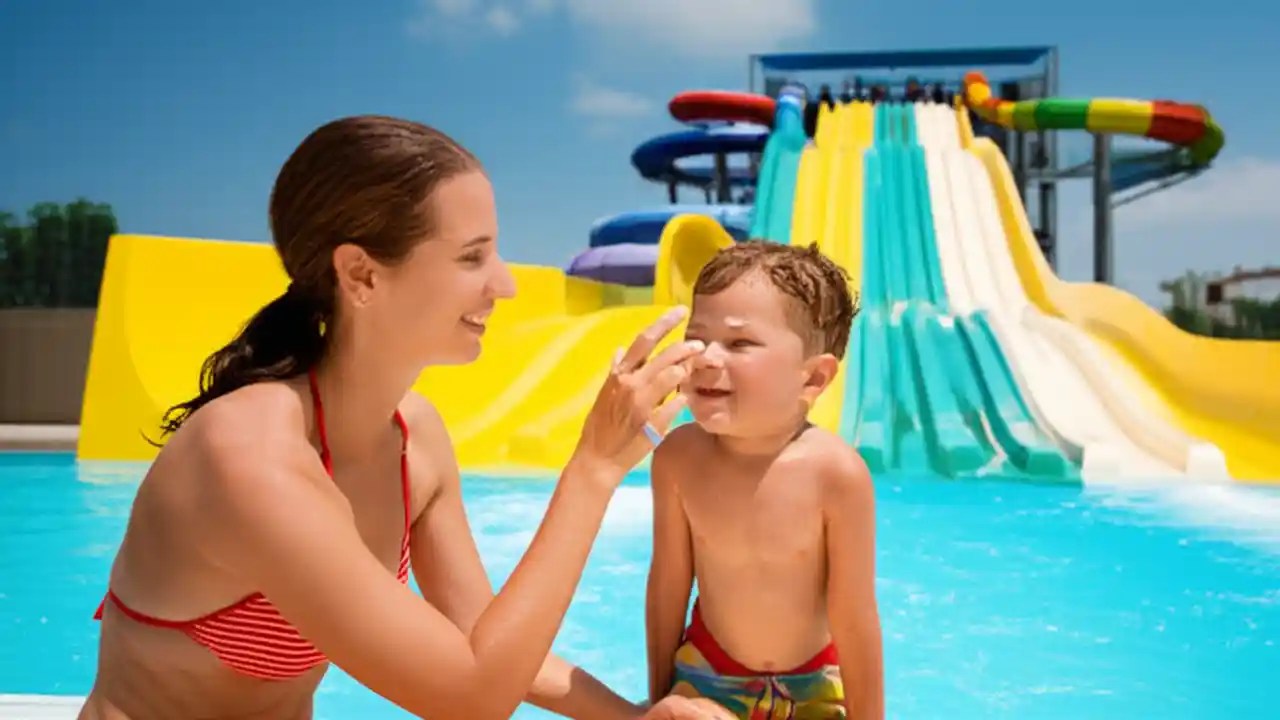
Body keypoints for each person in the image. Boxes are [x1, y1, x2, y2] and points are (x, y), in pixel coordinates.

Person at [77, 115, 728, 720]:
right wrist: (594, 468)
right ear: (361, 275)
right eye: (472, 256)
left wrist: (636, 717)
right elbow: (471, 697)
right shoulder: (252, 460)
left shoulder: (415, 440)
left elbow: (484, 639)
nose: (505, 284)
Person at [644, 242, 884, 719]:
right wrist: (659, 699)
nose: (708, 357)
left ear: (812, 380)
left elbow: (855, 618)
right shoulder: (678, 459)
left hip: (815, 685)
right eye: (698, 337)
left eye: (739, 343)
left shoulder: (835, 474)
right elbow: (667, 587)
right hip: (707, 675)